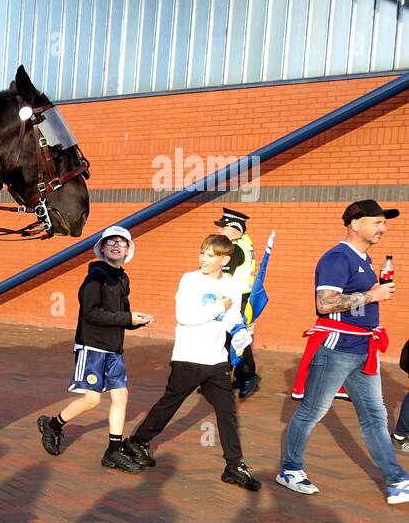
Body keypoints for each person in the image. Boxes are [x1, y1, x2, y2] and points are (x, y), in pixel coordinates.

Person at [278, 200, 409, 503]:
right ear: (355, 223)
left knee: (376, 415)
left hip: (363, 349)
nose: (383, 229)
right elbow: (324, 304)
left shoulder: (364, 258)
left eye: (384, 223)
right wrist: (372, 295)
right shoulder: (337, 258)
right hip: (337, 349)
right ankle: (290, 469)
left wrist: (371, 295)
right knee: (312, 411)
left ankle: (396, 480)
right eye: (377, 222)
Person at [120, 235, 260, 489]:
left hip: (217, 359)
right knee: (170, 404)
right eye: (202, 253)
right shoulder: (190, 281)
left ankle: (234, 465)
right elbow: (185, 316)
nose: (203, 259)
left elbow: (231, 318)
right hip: (188, 356)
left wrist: (240, 331)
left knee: (227, 413)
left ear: (224, 259)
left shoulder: (230, 284)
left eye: (210, 255)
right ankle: (137, 441)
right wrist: (218, 306)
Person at [37, 226, 154, 472]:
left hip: (114, 349)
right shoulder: (95, 277)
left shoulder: (122, 277)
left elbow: (121, 314)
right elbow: (91, 313)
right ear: (101, 248)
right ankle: (53, 425)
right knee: (91, 399)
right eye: (110, 241)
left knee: (121, 397)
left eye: (121, 242)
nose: (115, 245)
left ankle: (112, 452)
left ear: (128, 250)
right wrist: (127, 319)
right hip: (92, 347)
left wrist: (135, 321)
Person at [213, 208, 261, 399]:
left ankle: (249, 376)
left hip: (235, 299)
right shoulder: (243, 243)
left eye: (222, 228)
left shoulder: (234, 248)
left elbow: (222, 276)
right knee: (229, 338)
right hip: (240, 297)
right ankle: (236, 376)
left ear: (234, 229)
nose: (219, 231)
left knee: (236, 338)